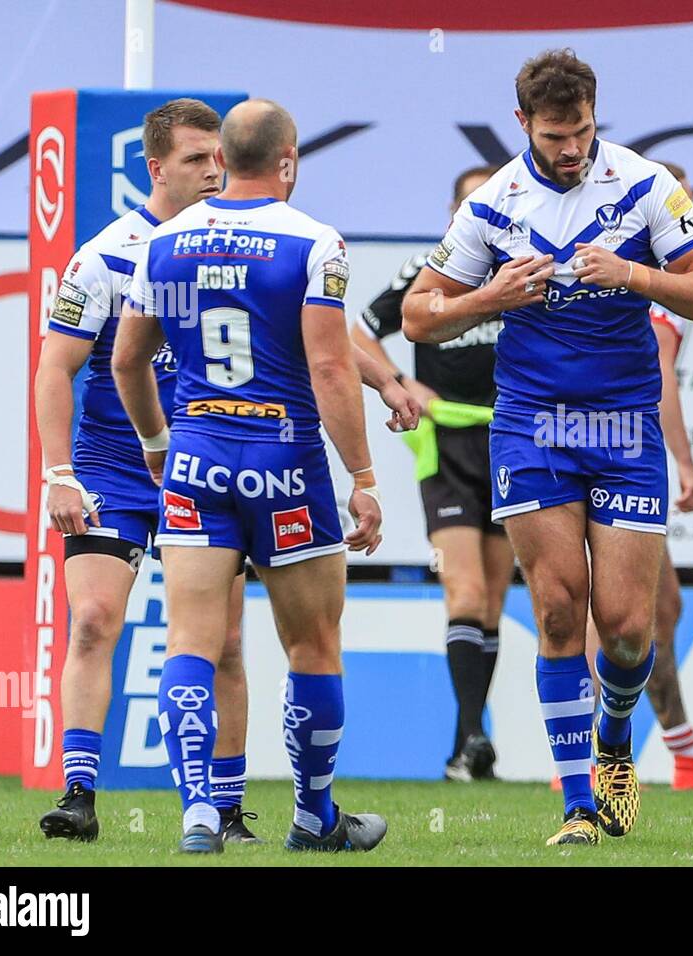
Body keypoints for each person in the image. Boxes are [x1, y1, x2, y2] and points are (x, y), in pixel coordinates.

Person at [402, 50, 693, 846]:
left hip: (624, 426)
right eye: (555, 136)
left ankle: (615, 737)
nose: (571, 149)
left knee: (626, 628)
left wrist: (632, 273)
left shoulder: (648, 186)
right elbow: (418, 315)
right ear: (522, 125)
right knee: (558, 611)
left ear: (596, 114)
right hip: (531, 424)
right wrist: (491, 296)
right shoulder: (490, 205)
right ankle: (578, 803)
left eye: (582, 131)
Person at [113, 98, 411, 854]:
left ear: (225, 159)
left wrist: (156, 441)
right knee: (313, 643)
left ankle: (200, 816)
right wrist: (365, 476)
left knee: (191, 639)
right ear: (287, 161)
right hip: (285, 458)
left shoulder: (164, 241)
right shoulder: (315, 241)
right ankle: (314, 817)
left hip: (197, 454)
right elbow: (331, 365)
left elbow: (126, 360)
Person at [35, 99, 259, 844]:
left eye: (218, 156)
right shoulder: (103, 257)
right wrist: (59, 475)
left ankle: (224, 811)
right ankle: (79, 797)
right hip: (113, 468)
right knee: (95, 622)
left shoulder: (243, 243)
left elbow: (311, 329)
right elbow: (55, 369)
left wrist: (384, 382)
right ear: (155, 168)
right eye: (196, 159)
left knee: (224, 643)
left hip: (203, 466)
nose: (212, 170)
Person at [584, 161, 693, 791]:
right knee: (610, 609)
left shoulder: (664, 273)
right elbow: (659, 380)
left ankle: (681, 753)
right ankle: (579, 758)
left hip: (604, 445)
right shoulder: (655, 281)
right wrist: (684, 463)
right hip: (608, 450)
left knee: (652, 605)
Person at [351, 165, 514, 783]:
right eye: (469, 204)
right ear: (452, 212)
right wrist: (401, 383)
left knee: (493, 603)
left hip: (513, 441)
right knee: (466, 593)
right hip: (445, 443)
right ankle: (474, 735)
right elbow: (358, 332)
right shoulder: (428, 268)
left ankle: (462, 751)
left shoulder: (523, 270)